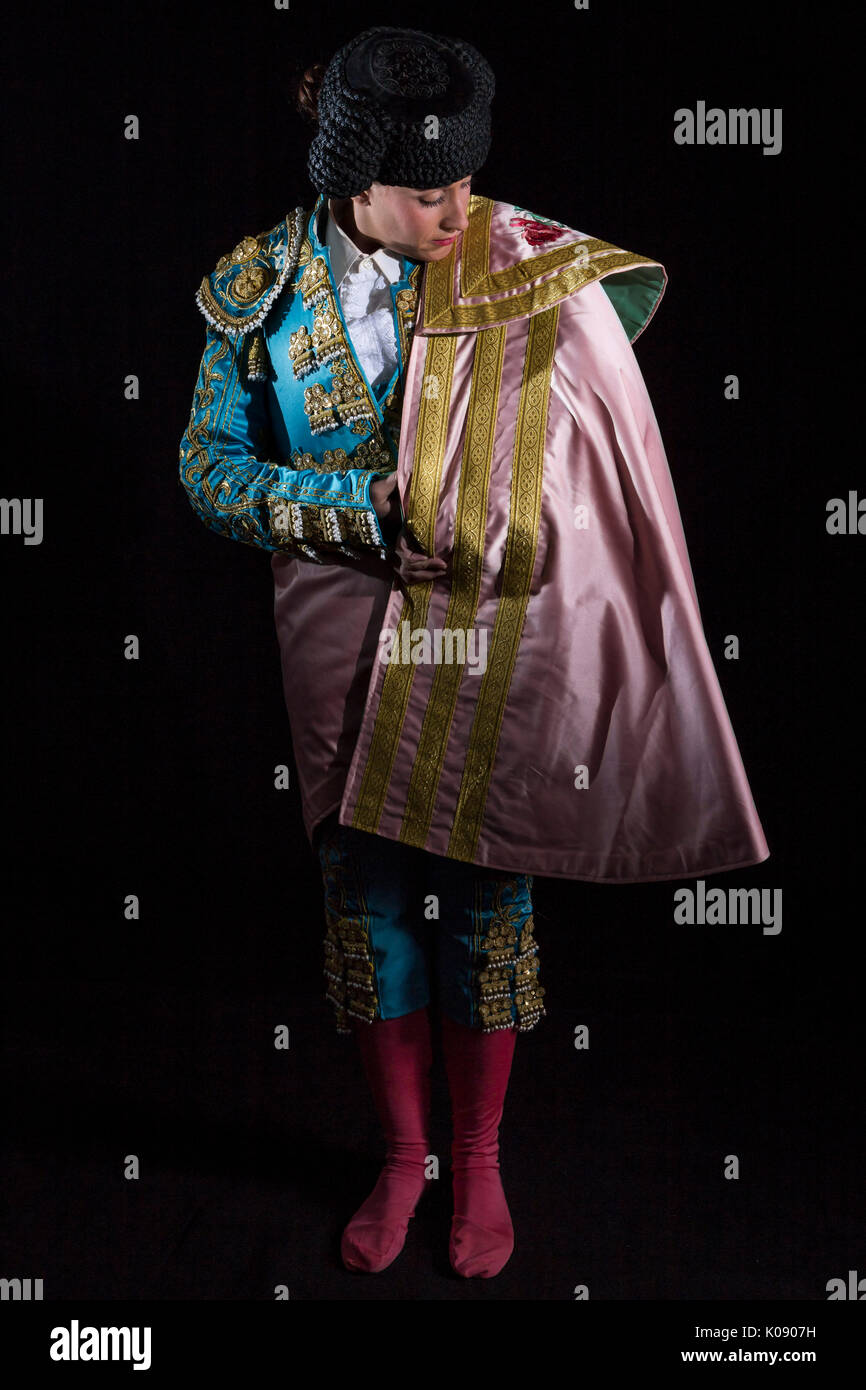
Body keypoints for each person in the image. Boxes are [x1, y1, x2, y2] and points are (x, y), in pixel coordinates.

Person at [178, 24, 769, 1280]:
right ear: (352, 180)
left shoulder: (512, 262)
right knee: (367, 906)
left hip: (486, 629)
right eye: (428, 190)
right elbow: (203, 468)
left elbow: (594, 418)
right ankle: (402, 1159)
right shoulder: (257, 287)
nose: (460, 208)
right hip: (335, 630)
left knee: (489, 889)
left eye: (463, 181)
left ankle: (481, 1159)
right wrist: (353, 516)